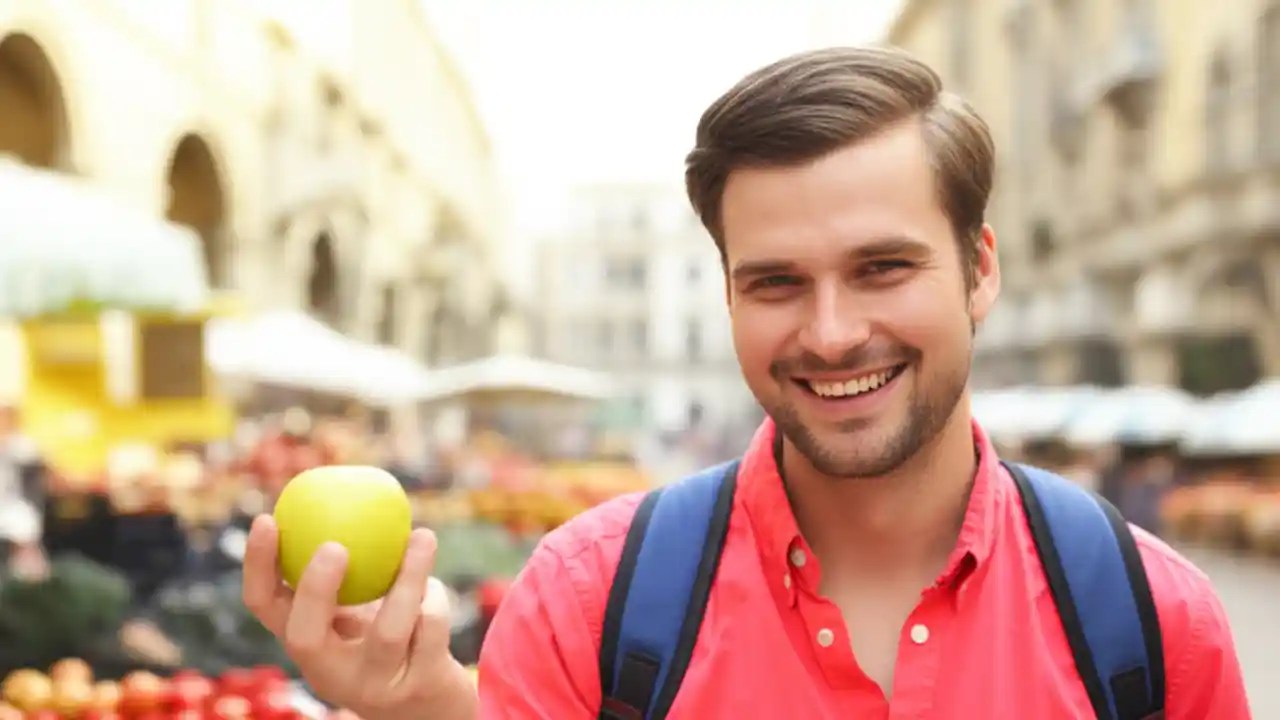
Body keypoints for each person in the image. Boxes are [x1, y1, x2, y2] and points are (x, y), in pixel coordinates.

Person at [241, 47, 1249, 719]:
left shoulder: (1148, 620)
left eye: (881, 268)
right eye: (774, 282)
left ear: (979, 268)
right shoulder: (589, 604)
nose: (830, 333)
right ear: (726, 293)